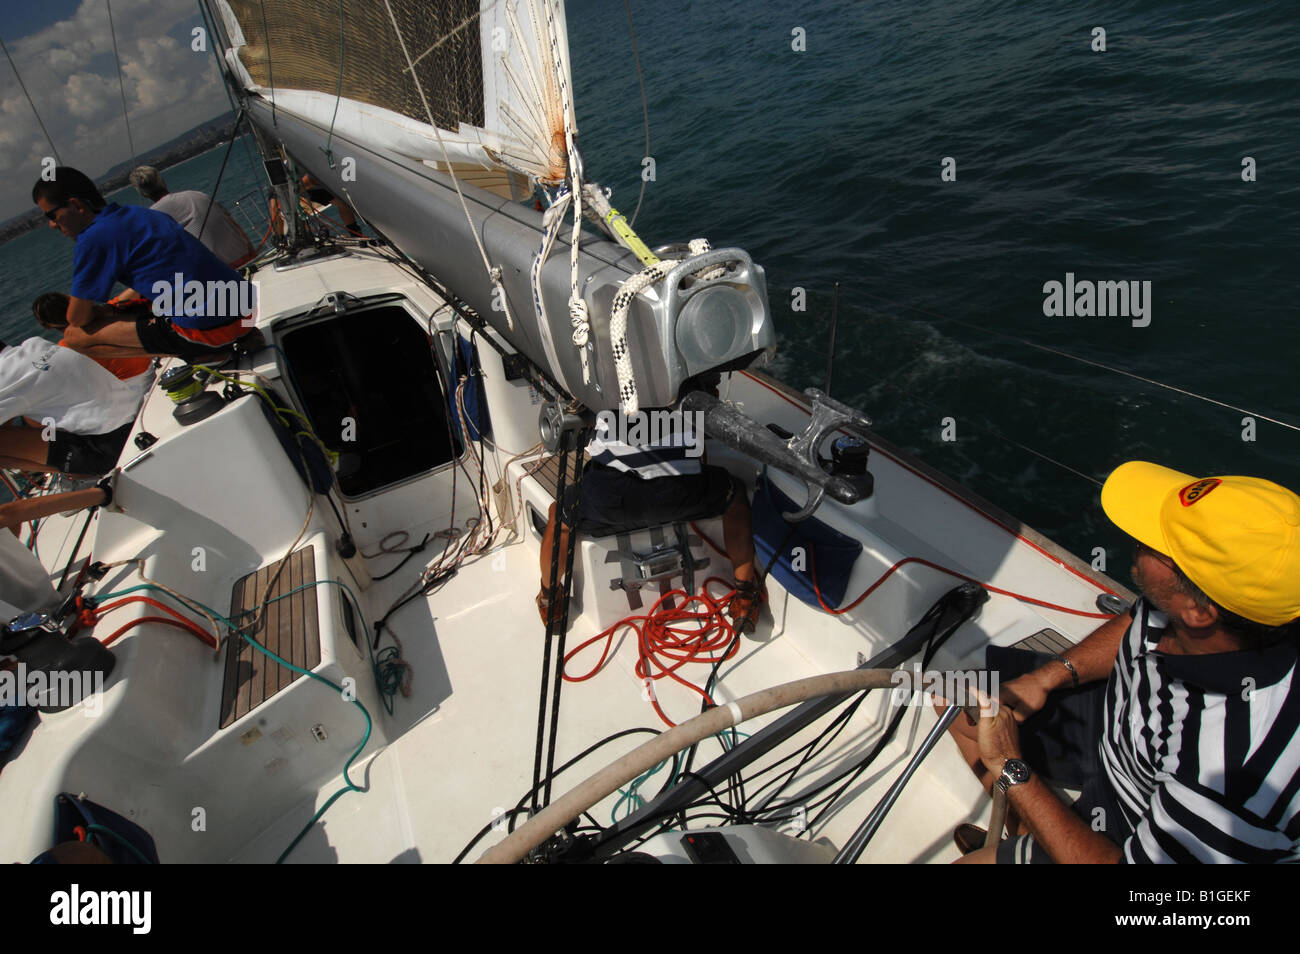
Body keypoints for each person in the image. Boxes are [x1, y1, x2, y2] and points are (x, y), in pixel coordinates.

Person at [948, 461, 1300, 863]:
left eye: (1156, 545)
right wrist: (1047, 678)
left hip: (1129, 835)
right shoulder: (1213, 610)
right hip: (1126, 738)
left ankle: (1036, 840)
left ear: (1199, 612)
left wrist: (1010, 767)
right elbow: (1141, 618)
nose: (1136, 539)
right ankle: (1028, 833)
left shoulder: (1232, 776)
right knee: (956, 699)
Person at [537, 375, 764, 632]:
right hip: (679, 494)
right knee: (734, 497)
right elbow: (701, 431)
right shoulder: (689, 376)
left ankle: (549, 597)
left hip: (613, 498)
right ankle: (745, 597)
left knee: (560, 514)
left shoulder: (598, 378)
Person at [32, 166, 258, 363]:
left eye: (52, 216)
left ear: (76, 206)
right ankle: (239, 338)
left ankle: (205, 355)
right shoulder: (137, 213)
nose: (52, 225)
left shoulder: (93, 238)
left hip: (212, 330)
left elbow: (77, 318)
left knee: (75, 336)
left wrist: (101, 314)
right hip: (246, 307)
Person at [0, 335, 143, 477]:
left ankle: (75, 473)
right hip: (136, 413)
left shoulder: (3, 382)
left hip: (111, 447)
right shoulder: (35, 344)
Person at [127, 165, 254, 267]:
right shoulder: (196, 195)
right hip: (246, 256)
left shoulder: (151, 218)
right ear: (163, 182)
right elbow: (231, 222)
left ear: (143, 193)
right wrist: (252, 252)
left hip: (220, 275)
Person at [32, 292, 153, 395]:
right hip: (155, 359)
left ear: (47, 326)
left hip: (136, 385)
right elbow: (133, 292)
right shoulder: (108, 311)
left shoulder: (66, 348)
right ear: (71, 302)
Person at [269, 174, 363, 238]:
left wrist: (296, 190)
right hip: (302, 186)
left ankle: (355, 232)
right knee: (344, 203)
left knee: (344, 203)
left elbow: (311, 178)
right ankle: (279, 239)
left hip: (309, 185)